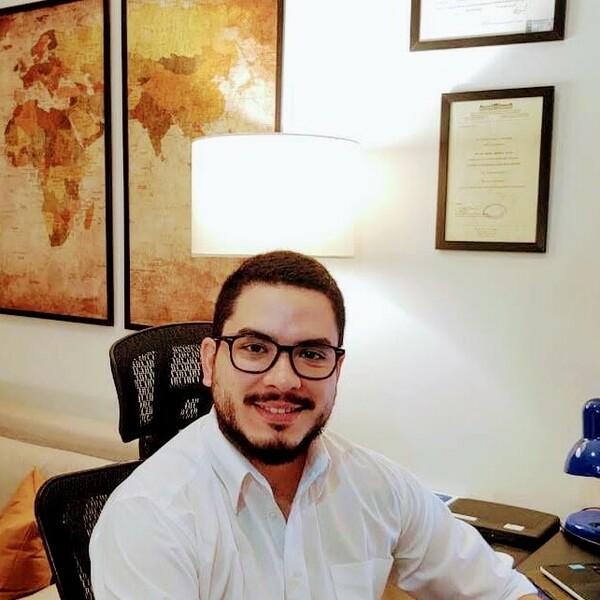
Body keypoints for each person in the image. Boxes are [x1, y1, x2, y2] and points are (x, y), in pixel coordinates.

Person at [90, 250, 539, 599]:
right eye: (254, 348)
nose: (284, 380)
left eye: (311, 354)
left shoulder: (378, 488)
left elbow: (501, 590)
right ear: (209, 362)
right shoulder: (150, 518)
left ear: (337, 371)